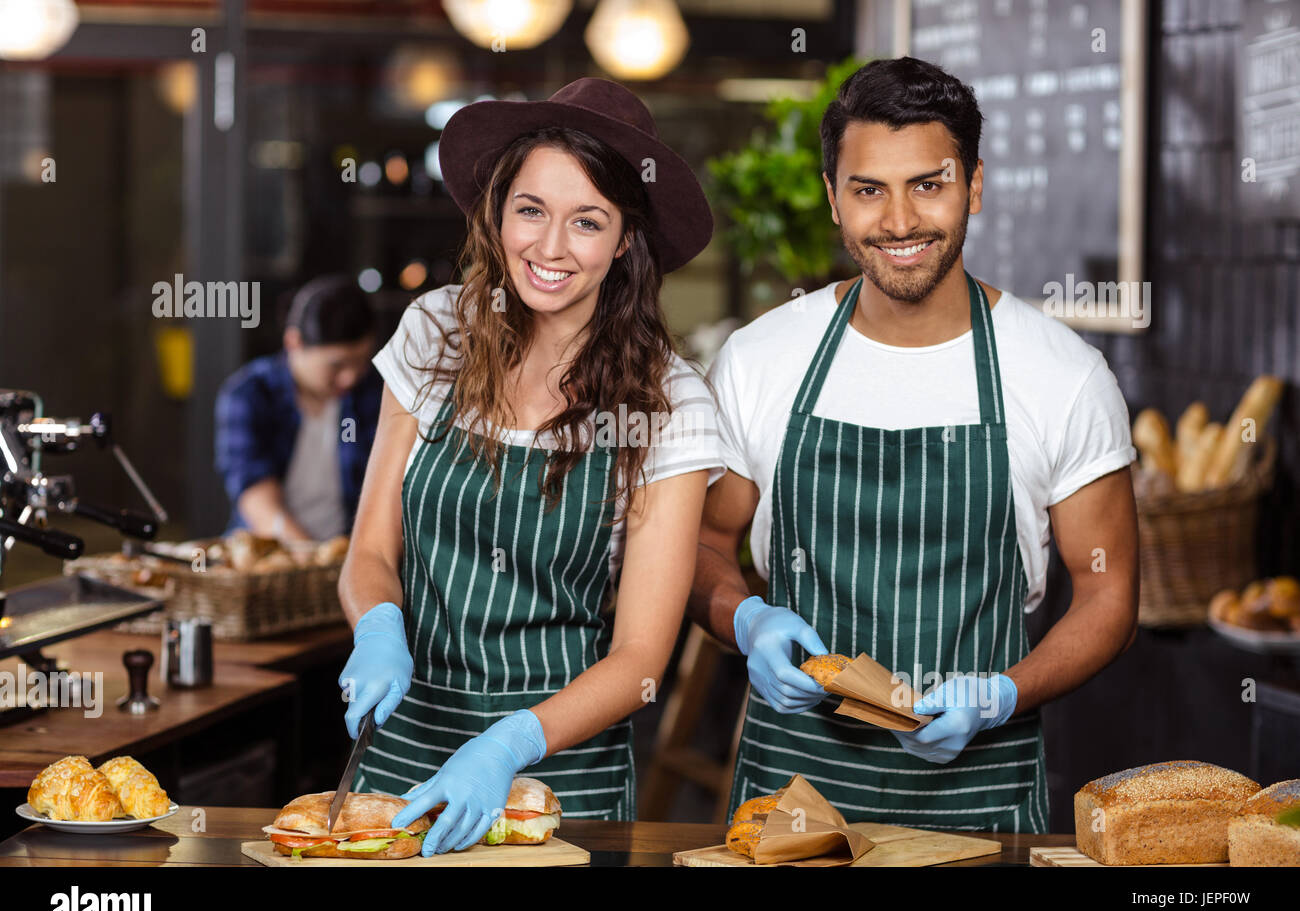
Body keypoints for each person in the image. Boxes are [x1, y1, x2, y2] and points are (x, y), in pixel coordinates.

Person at [688, 57, 1140, 832]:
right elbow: (704, 544)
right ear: (833, 198)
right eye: (869, 190)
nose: (899, 221)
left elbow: (1108, 594)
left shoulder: (1062, 375)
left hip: (980, 803)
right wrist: (744, 620)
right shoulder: (762, 360)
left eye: (927, 184)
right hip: (789, 804)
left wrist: (1007, 691)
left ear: (974, 186)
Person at [337, 78, 724, 855]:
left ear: (625, 240)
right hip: (402, 750)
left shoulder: (668, 402)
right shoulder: (436, 333)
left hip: (559, 775)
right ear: (498, 212)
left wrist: (509, 745)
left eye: (587, 222)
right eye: (530, 210)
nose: (549, 249)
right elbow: (371, 553)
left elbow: (643, 656)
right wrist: (378, 626)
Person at [214, 275, 382, 541]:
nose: (350, 377)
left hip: (346, 553)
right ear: (294, 342)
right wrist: (310, 558)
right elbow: (254, 494)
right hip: (266, 552)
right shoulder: (249, 394)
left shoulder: (373, 394)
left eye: (361, 362)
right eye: (337, 365)